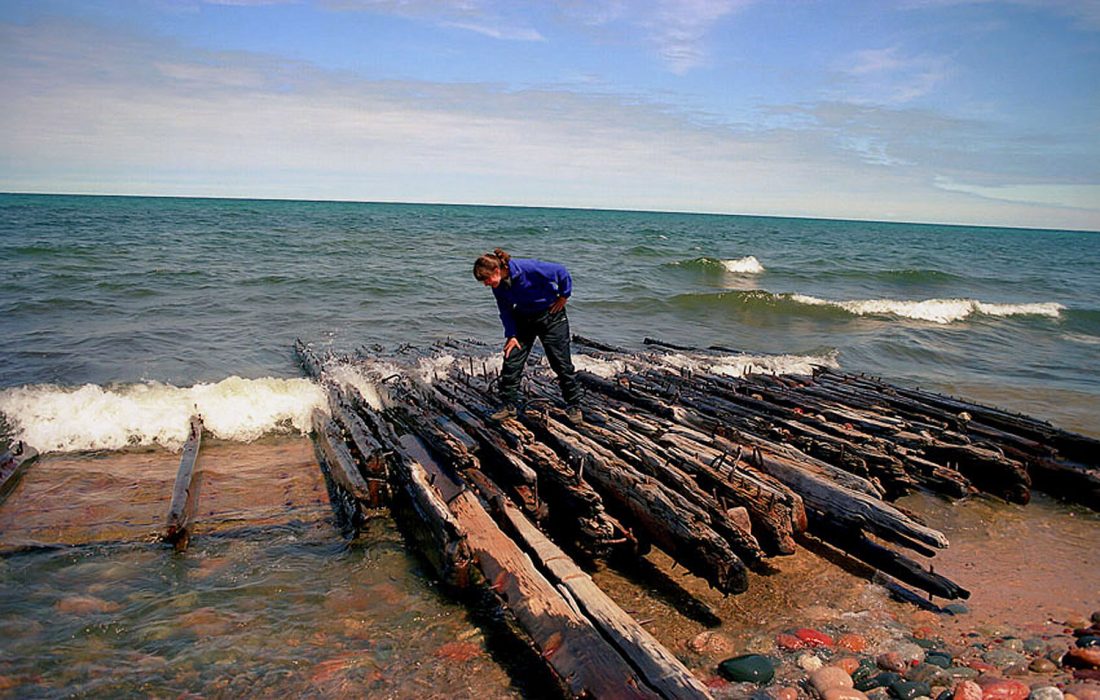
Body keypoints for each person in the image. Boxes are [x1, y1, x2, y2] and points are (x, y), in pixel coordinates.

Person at [472, 248, 582, 423]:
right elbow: (505, 310)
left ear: (497, 270)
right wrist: (511, 334)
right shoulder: (498, 285)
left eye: (486, 279)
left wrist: (564, 296)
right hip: (523, 318)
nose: (485, 284)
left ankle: (574, 404)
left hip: (551, 317)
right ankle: (509, 405)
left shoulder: (528, 268)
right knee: (511, 359)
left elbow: (561, 271)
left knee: (560, 362)